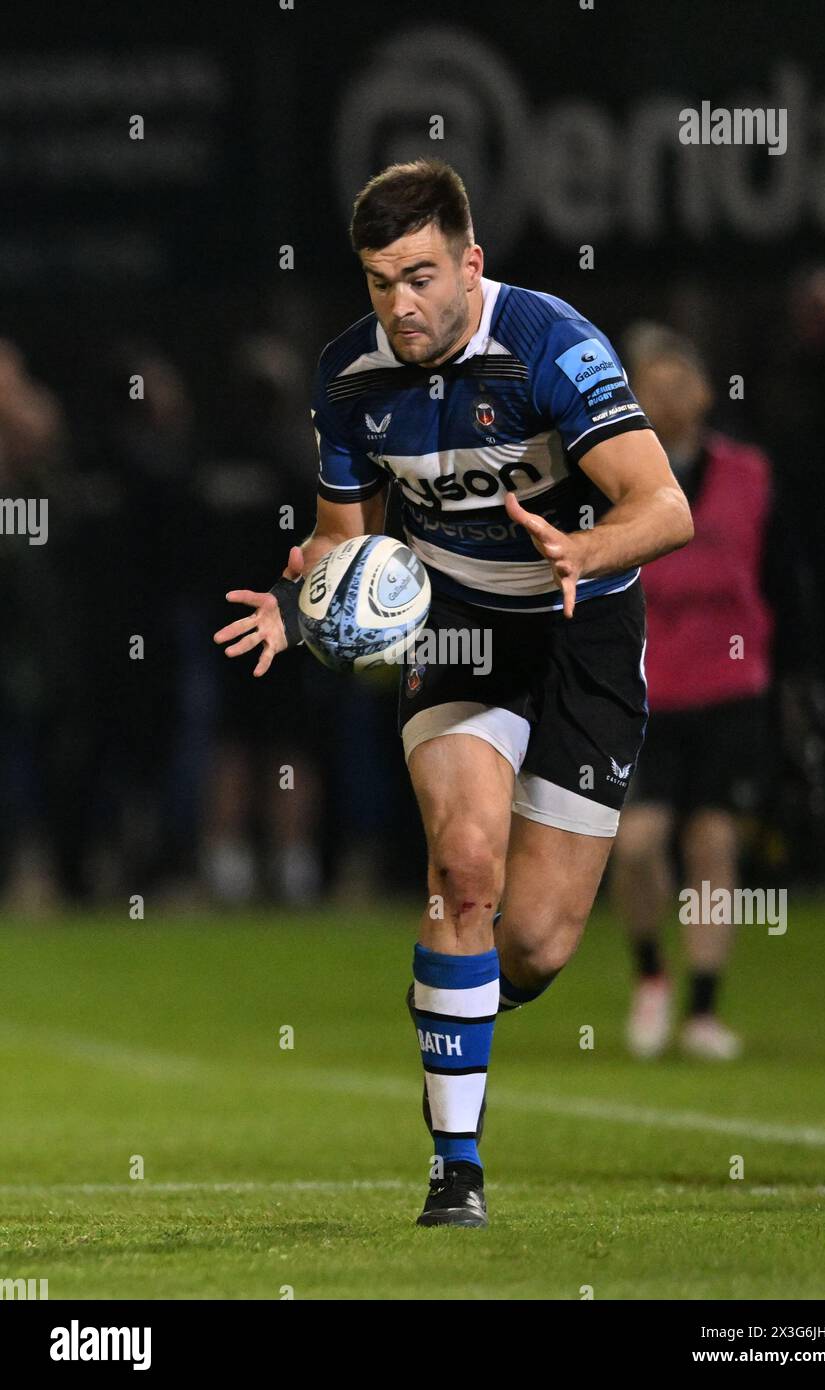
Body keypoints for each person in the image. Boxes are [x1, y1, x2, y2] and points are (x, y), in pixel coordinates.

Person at [213, 160, 692, 1226]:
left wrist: (585, 548)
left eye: (421, 276)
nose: (401, 304)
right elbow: (344, 540)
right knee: (465, 866)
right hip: (458, 624)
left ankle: (455, 997)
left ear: (471, 263)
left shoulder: (550, 345)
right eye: (381, 280)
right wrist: (301, 603)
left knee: (537, 946)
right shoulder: (348, 376)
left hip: (582, 630)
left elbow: (665, 507)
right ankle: (456, 1171)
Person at [611, 323, 785, 1061]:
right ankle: (651, 974)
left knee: (713, 840)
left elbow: (783, 579)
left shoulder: (748, 474)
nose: (668, 398)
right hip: (648, 688)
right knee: (637, 844)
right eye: (652, 386)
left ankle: (704, 1009)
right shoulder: (617, 476)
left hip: (729, 685)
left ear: (707, 392)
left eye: (680, 382)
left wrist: (795, 679)